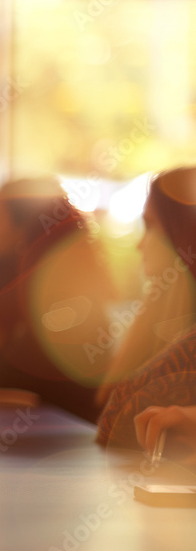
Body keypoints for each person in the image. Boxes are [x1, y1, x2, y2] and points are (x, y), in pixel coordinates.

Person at [0, 178, 116, 422]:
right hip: (0, 428)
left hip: (55, 435)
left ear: (26, 227)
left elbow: (17, 384)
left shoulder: (69, 298)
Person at [98, 168, 196, 447]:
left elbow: (114, 423)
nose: (140, 244)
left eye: (151, 225)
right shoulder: (156, 313)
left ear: (186, 231)